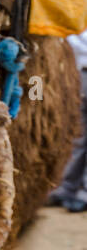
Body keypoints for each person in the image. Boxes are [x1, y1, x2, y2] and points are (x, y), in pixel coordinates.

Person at [48, 29, 87, 212]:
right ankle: (68, 188)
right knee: (78, 135)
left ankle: (83, 192)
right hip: (76, 75)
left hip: (80, 70)